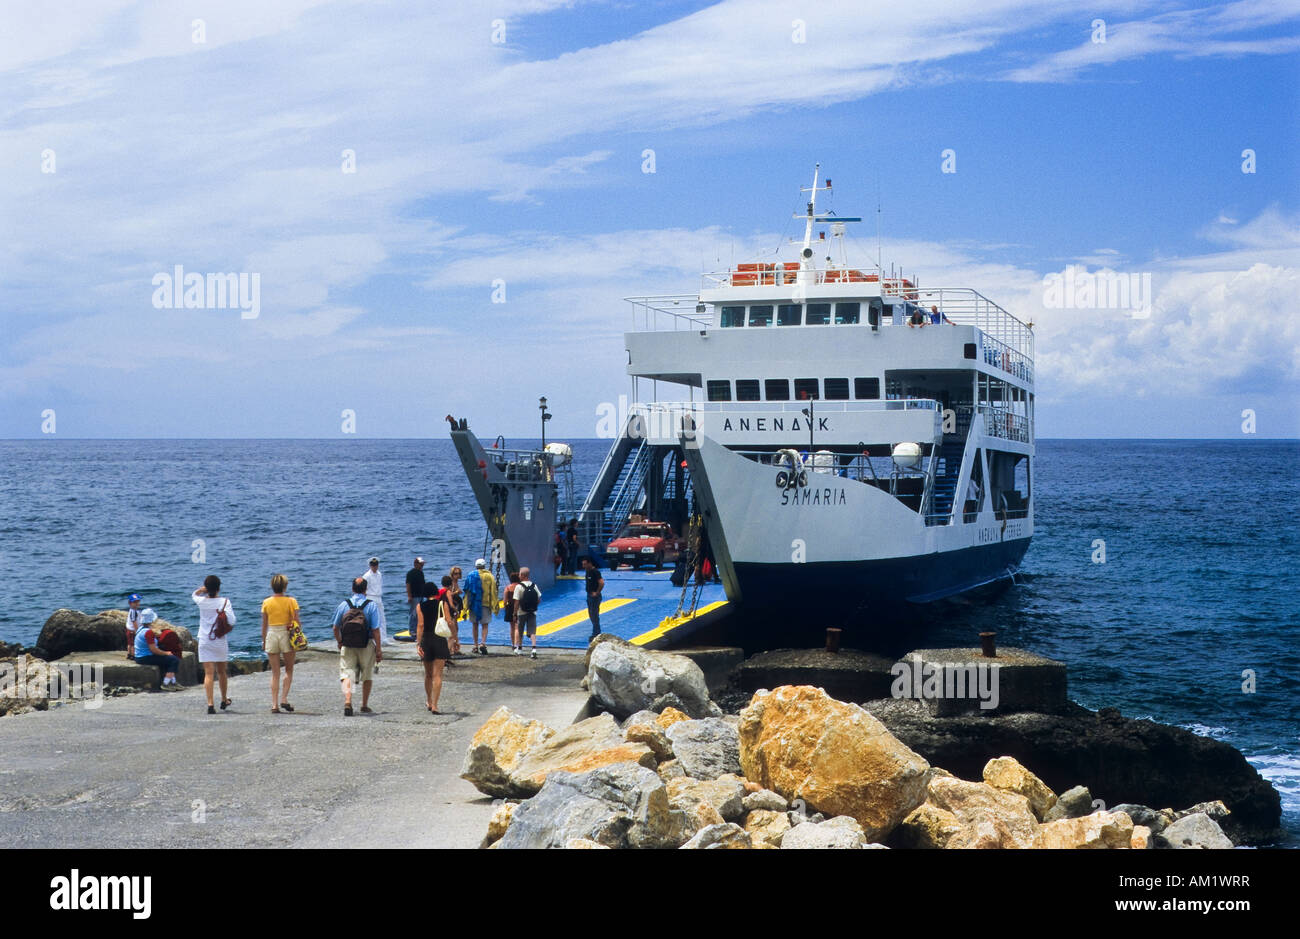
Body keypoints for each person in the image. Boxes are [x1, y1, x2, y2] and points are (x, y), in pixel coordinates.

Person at [331, 577, 382, 716]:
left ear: (352, 589)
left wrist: (340, 642)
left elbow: (335, 627)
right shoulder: (371, 606)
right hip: (366, 645)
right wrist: (379, 649)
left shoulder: (344, 605)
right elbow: (376, 630)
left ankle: (348, 701)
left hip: (348, 644)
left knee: (347, 673)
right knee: (367, 675)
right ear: (366, 590)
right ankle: (364, 705)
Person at [193, 576, 235, 715]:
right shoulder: (225, 602)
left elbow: (193, 595)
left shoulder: (201, 601)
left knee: (208, 673)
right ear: (219, 588)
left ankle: (210, 703)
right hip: (219, 639)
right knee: (222, 672)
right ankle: (224, 699)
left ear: (207, 588)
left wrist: (201, 590)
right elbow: (232, 620)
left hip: (204, 639)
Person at [260, 573, 300, 714]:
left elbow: (264, 625)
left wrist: (264, 640)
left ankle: (274, 704)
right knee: (289, 669)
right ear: (285, 586)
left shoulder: (266, 602)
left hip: (272, 633)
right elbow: (297, 622)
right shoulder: (291, 601)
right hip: (286, 634)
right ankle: (284, 698)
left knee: (275, 673)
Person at [416, 580, 452, 713]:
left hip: (426, 639)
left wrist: (418, 643)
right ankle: (436, 705)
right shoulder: (442, 604)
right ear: (436, 592)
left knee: (428, 675)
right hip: (439, 639)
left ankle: (429, 701)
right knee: (438, 675)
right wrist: (454, 638)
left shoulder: (420, 606)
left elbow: (420, 625)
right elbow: (449, 621)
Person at [133, 609, 181, 690]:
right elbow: (153, 650)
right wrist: (166, 653)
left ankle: (172, 682)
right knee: (174, 660)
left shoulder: (140, 629)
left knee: (167, 660)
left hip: (139, 656)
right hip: (145, 657)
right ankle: (166, 683)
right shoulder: (148, 632)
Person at [463, 558, 498, 655]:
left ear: (476, 566)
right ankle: (483, 643)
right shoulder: (489, 576)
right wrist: (495, 605)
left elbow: (467, 592)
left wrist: (465, 607)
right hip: (485, 603)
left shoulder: (470, 575)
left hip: (473, 603)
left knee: (475, 625)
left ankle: (475, 645)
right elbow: (493, 592)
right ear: (484, 566)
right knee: (485, 625)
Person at [513, 566, 542, 659]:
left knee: (520, 630)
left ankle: (520, 649)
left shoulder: (518, 586)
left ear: (522, 575)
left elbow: (516, 601)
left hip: (522, 612)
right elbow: (539, 599)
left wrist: (514, 613)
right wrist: (533, 606)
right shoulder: (534, 585)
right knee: (532, 631)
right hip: (532, 612)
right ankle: (533, 649)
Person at [361, 557, 387, 645]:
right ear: (370, 565)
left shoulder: (379, 574)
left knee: (382, 618)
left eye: (376, 565)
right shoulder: (366, 576)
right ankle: (373, 640)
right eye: (373, 565)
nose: (375, 567)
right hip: (370, 597)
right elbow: (363, 589)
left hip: (378, 597)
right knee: (372, 619)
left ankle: (383, 638)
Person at [582, 556, 604, 642]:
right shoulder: (587, 572)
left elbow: (601, 583)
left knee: (594, 615)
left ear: (589, 563)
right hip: (589, 595)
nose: (583, 566)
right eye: (583, 564)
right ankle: (596, 632)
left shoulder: (595, 572)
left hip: (594, 596)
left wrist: (597, 592)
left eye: (585, 564)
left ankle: (596, 633)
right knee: (591, 615)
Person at [405, 556, 427, 637]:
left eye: (422, 564)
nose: (422, 566)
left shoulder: (421, 573)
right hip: (414, 596)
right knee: (413, 613)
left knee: (420, 613)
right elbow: (408, 585)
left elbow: (423, 584)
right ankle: (412, 630)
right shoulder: (411, 573)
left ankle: (419, 628)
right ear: (415, 564)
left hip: (421, 595)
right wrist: (409, 596)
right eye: (420, 564)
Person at [446, 566, 464, 656]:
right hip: (452, 607)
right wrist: (457, 592)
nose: (457, 575)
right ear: (452, 574)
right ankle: (451, 649)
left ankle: (454, 648)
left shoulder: (456, 582)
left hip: (456, 605)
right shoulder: (451, 583)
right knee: (453, 628)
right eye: (456, 573)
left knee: (455, 628)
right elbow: (448, 594)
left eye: (459, 573)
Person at [504, 571, 521, 653]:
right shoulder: (520, 587)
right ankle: (517, 644)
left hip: (510, 607)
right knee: (517, 627)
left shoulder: (508, 588)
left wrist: (505, 607)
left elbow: (504, 601)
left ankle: (513, 644)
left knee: (512, 627)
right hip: (518, 607)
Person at [125, 593, 143, 660]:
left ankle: (129, 654)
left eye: (137, 602)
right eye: (134, 602)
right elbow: (134, 621)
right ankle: (133, 655)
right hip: (132, 630)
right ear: (130, 603)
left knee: (130, 643)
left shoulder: (134, 610)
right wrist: (137, 630)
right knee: (133, 644)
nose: (136, 604)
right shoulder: (133, 611)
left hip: (130, 630)